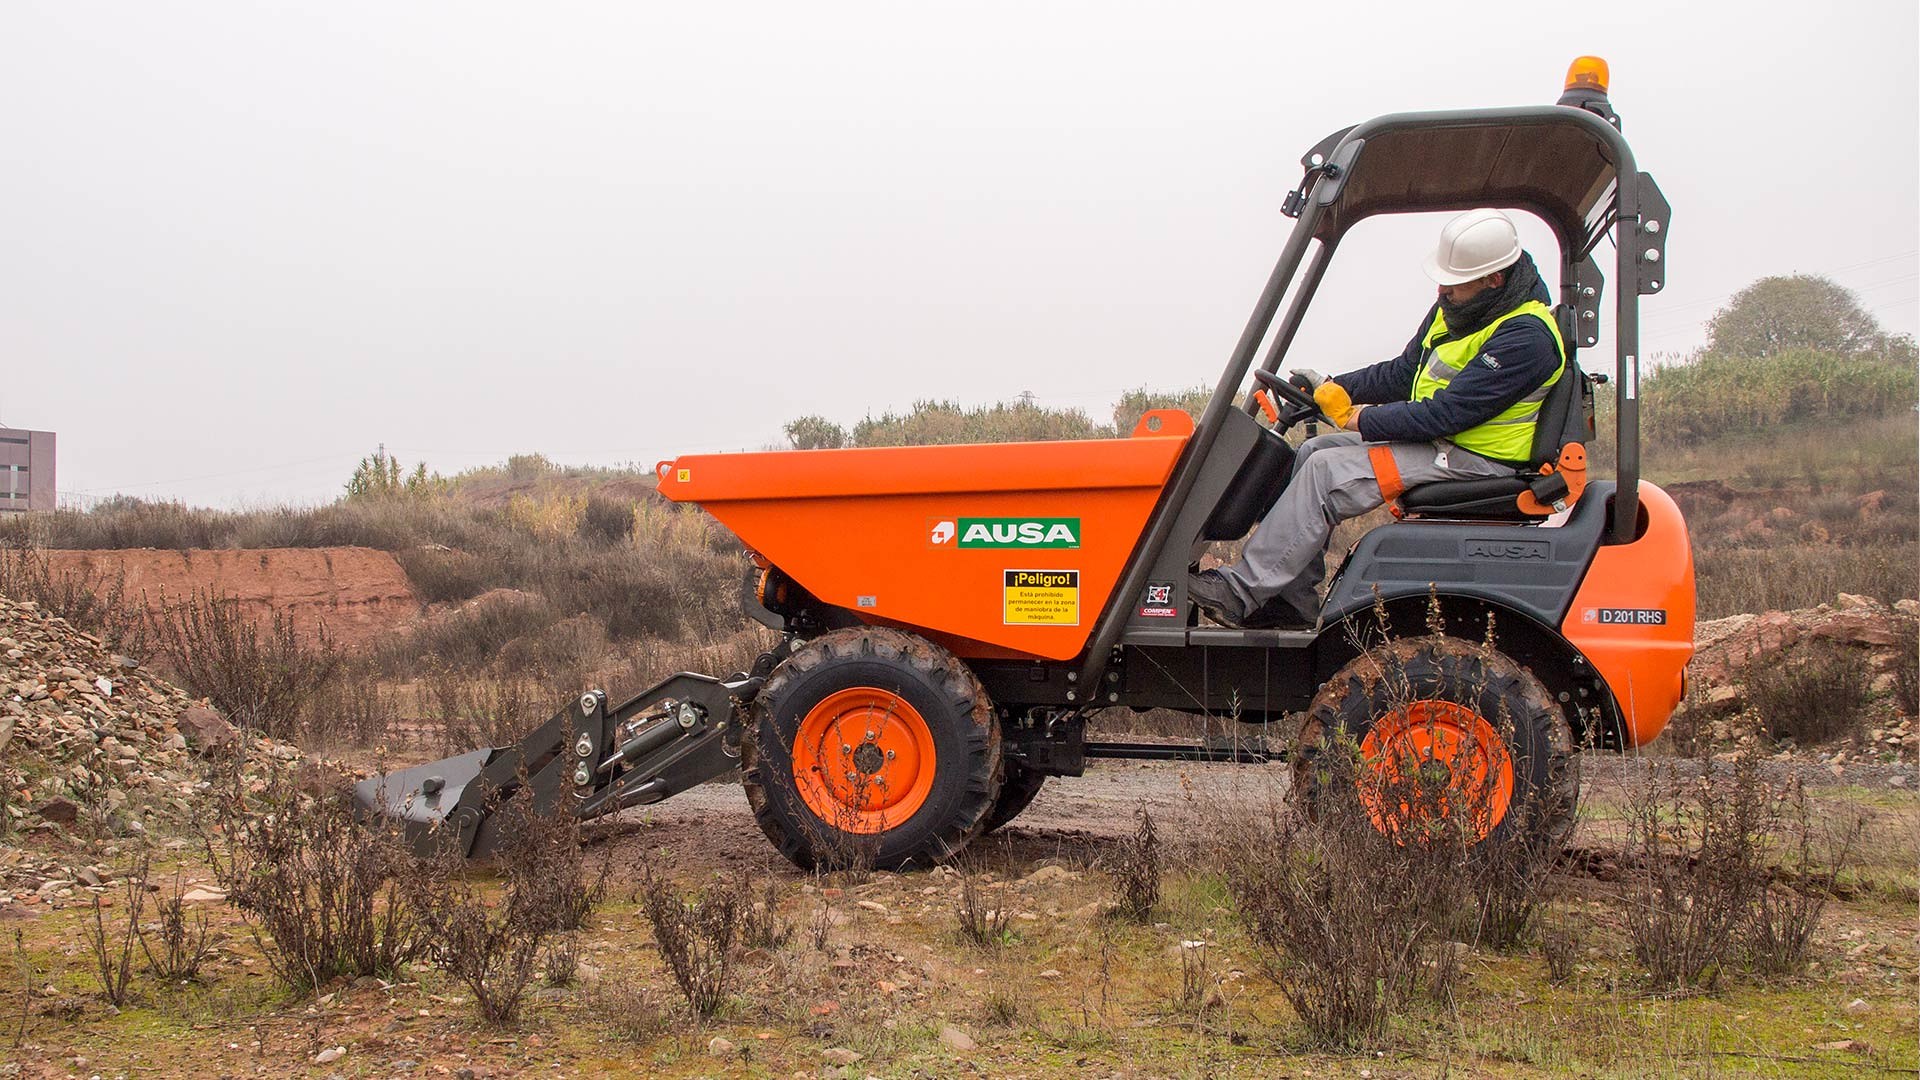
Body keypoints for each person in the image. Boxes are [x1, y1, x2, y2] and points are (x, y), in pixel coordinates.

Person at [1189, 207, 1567, 629]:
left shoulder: (1527, 336)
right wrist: (1331, 389)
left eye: (1454, 283)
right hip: (1444, 446)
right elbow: (1404, 373)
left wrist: (1355, 418)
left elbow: (1445, 415)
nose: (1442, 290)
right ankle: (1290, 600)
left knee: (1326, 472)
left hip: (1477, 460)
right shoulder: (1460, 311)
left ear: (1493, 280)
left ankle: (1241, 592)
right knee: (1314, 449)